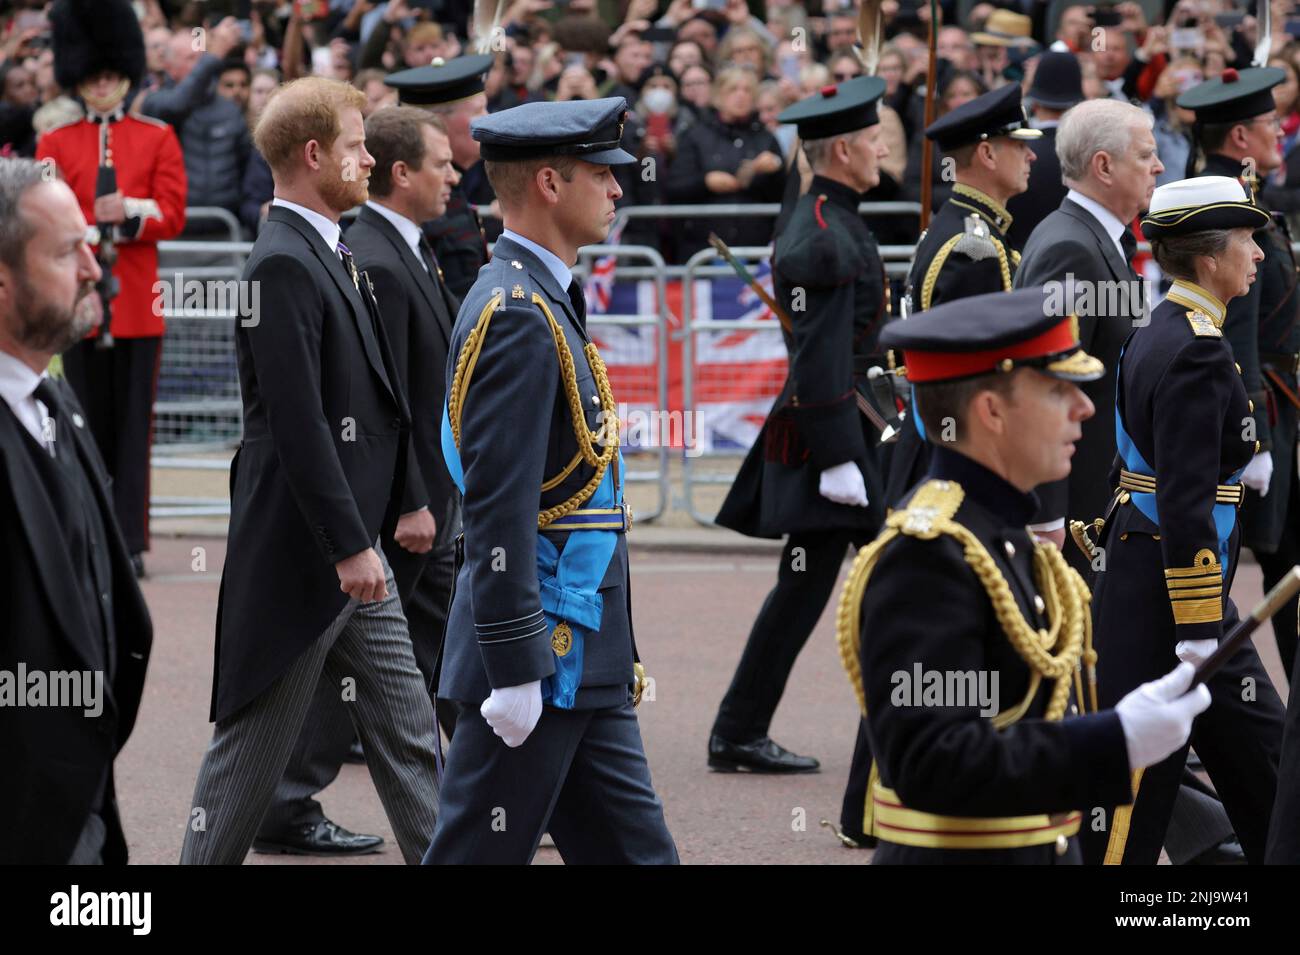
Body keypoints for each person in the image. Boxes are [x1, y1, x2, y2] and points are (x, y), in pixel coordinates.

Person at [838, 284, 1210, 864]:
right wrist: (1112, 740)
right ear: (990, 412)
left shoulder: (1000, 531)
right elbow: (934, 762)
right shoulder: (930, 553)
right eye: (1060, 390)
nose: (1085, 407)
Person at [179, 77, 439, 865]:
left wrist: (406, 504)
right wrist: (347, 546)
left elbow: (378, 401)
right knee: (247, 762)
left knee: (412, 735)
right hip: (309, 557)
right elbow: (297, 425)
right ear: (315, 153)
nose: (369, 159)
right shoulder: (281, 263)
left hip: (354, 552)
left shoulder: (328, 246)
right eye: (358, 145)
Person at [424, 96, 677, 865]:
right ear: (548, 182)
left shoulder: (539, 298)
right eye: (602, 173)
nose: (618, 189)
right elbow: (498, 510)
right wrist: (516, 664)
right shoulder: (517, 312)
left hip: (580, 648)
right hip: (544, 652)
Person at [1084, 176, 1286, 866]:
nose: (1257, 254)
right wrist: (1199, 629)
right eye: (1246, 240)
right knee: (1132, 795)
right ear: (1209, 257)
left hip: (1169, 584)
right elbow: (1187, 498)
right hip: (1173, 602)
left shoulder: (1163, 325)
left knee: (1265, 756)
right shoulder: (1198, 347)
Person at [710, 77, 891, 789]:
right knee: (906, 574)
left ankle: (738, 727)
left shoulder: (829, 216)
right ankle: (919, 724)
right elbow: (818, 356)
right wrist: (840, 459)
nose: (885, 150)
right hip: (835, 435)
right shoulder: (823, 232)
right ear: (843, 149)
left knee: (804, 586)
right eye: (875, 139)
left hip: (842, 425)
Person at [0, 157, 152, 864]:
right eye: (67, 252)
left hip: (83, 817)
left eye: (91, 244)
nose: (94, 268)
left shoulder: (55, 399)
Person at [36, 0, 188, 578]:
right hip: (79, 301)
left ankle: (130, 542)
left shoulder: (156, 137)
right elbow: (44, 208)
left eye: (110, 75)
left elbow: (172, 213)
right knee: (85, 424)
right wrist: (85, 220)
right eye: (94, 76)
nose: (103, 85)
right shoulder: (56, 140)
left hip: (138, 306)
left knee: (132, 430)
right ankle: (88, 532)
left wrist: (129, 212)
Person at [1179, 67, 1300, 678]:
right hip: (1254, 409)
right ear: (1243, 137)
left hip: (1275, 405)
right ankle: (1185, 701)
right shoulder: (1222, 202)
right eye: (1270, 123)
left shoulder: (1240, 194)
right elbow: (1234, 325)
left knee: (1280, 564)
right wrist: (1250, 425)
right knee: (1214, 563)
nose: (1281, 131)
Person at [1013, 99, 1163, 559]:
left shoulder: (1098, 237)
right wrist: (1048, 515)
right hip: (1078, 509)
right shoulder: (1071, 248)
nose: (1157, 166)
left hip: (1100, 497)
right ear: (1104, 165)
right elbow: (1046, 381)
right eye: (1144, 155)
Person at [885, 81, 1039, 508]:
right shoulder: (975, 249)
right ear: (987, 154)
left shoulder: (960, 228)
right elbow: (975, 376)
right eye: (1018, 145)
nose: (1032, 156)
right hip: (956, 460)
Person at [385, 54, 494, 299]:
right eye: (478, 110)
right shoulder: (424, 203)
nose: (489, 118)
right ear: (438, 126)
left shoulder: (453, 189)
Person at [1006, 51, 1084, 251]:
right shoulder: (1091, 155)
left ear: (1036, 101)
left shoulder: (1013, 153)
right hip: (1081, 266)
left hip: (1023, 267)